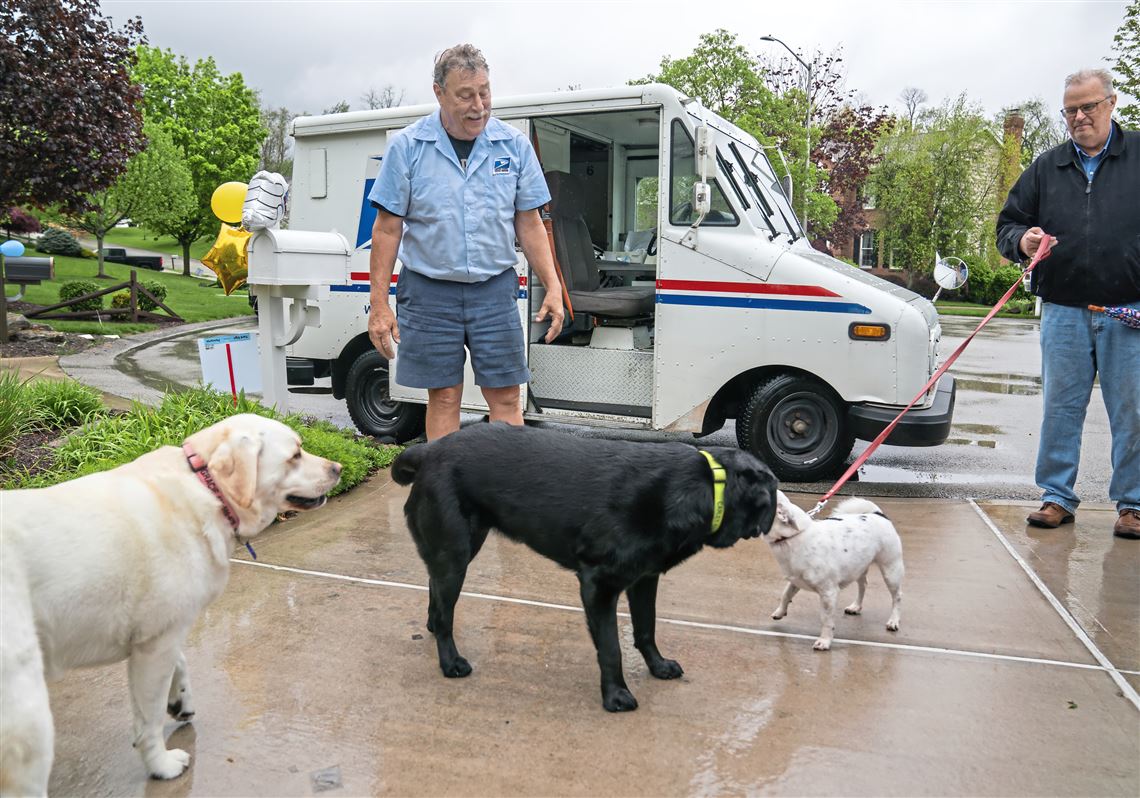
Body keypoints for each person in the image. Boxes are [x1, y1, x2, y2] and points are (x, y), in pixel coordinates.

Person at [366, 44, 564, 440]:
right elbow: (387, 229)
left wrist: (554, 286)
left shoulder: (514, 145)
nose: (479, 106)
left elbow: (529, 223)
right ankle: (447, 494)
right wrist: (380, 304)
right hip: (428, 292)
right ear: (439, 93)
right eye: (465, 95)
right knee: (443, 396)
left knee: (507, 397)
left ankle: (505, 495)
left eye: (485, 92)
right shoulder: (407, 147)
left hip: (494, 290)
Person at [996, 68, 1139, 540]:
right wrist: (1023, 241)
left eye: (1088, 107)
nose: (1079, 117)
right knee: (1060, 408)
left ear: (1111, 103)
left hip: (1129, 311)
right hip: (1063, 311)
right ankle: (1056, 497)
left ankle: (1133, 505)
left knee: (1132, 411)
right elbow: (1008, 226)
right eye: (1070, 110)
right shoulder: (1046, 167)